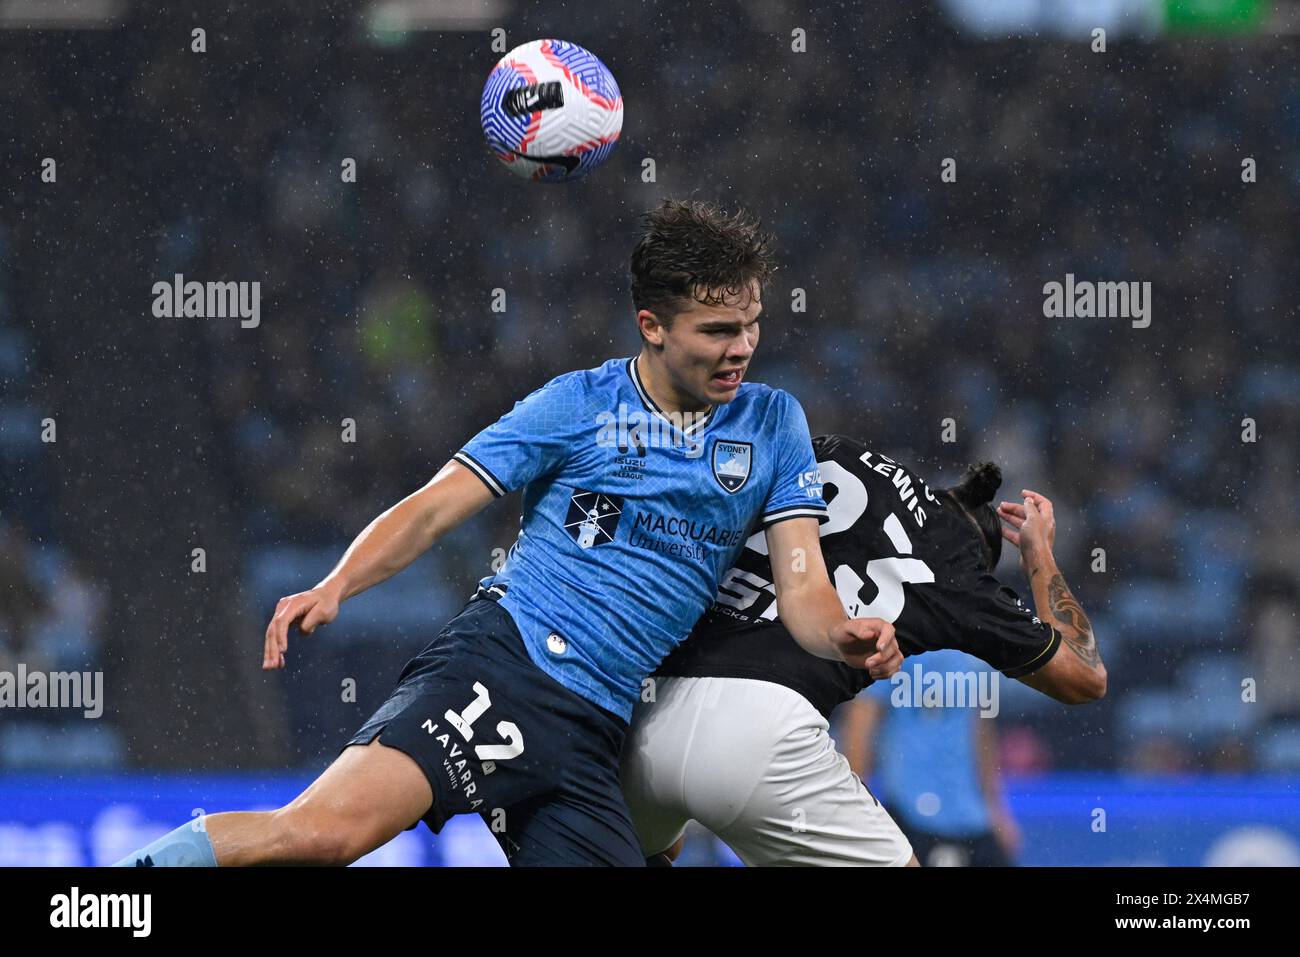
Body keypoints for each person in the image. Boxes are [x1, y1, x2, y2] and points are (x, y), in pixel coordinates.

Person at [112, 200, 901, 867]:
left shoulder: (773, 421)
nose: (742, 347)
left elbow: (805, 589)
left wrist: (844, 636)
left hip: (597, 731)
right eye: (718, 329)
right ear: (652, 325)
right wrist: (338, 583)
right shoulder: (577, 406)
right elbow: (433, 505)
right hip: (508, 665)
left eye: (753, 324)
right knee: (318, 835)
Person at [621, 438, 1106, 866]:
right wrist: (1039, 554)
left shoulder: (837, 450)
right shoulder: (957, 571)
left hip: (644, 708)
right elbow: (1084, 678)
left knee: (657, 849)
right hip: (765, 729)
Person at [840, 648, 1022, 867]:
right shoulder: (894, 643)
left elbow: (981, 730)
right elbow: (860, 728)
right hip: (911, 813)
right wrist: (854, 812)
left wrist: (997, 810)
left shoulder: (974, 649)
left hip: (972, 818)